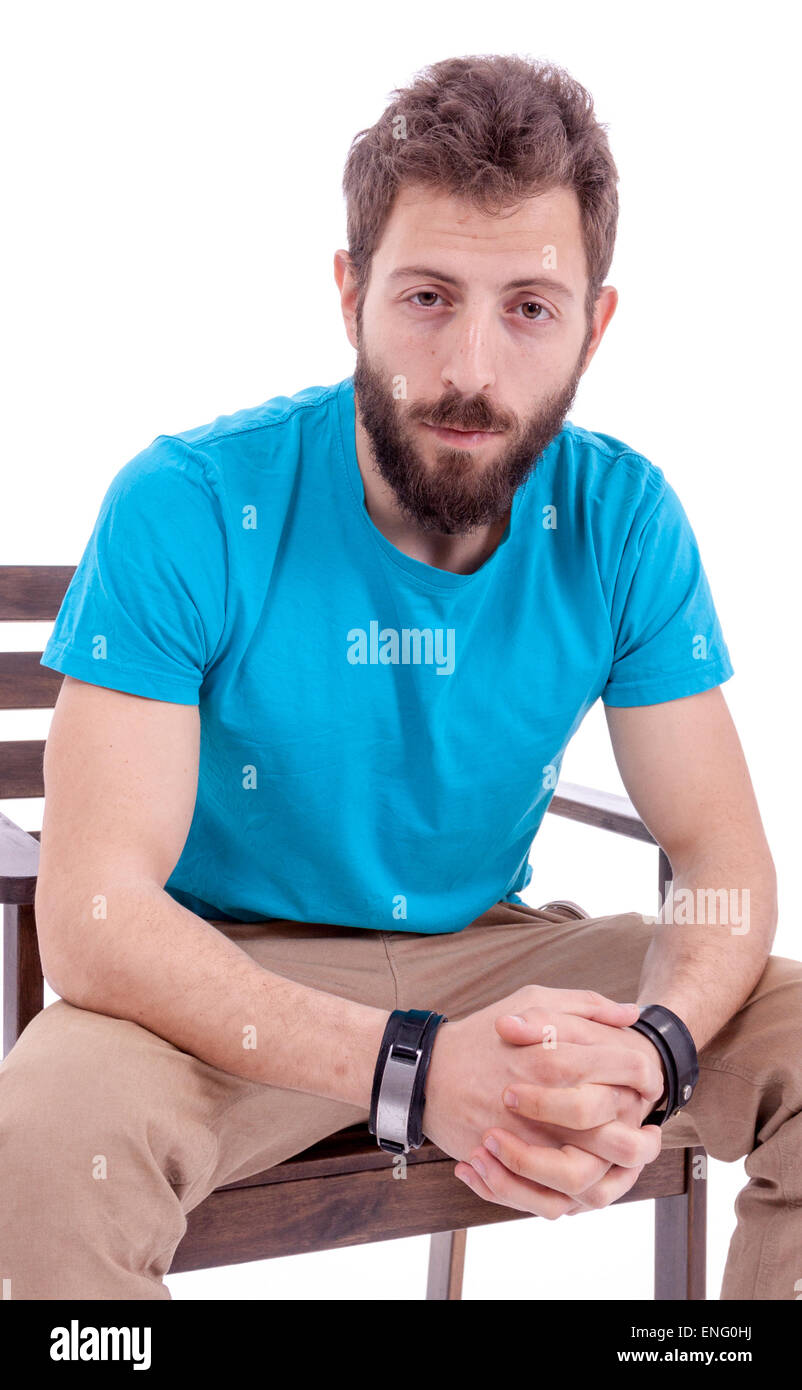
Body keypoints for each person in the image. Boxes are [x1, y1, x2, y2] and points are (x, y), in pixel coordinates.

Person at [1, 53, 797, 1302]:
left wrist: (657, 1045)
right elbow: (95, 916)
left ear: (595, 323)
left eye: (528, 306)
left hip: (489, 955)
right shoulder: (190, 503)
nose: (471, 367)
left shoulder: (624, 518)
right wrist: (417, 1066)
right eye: (427, 296)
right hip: (221, 978)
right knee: (43, 1149)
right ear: (349, 292)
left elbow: (723, 865)